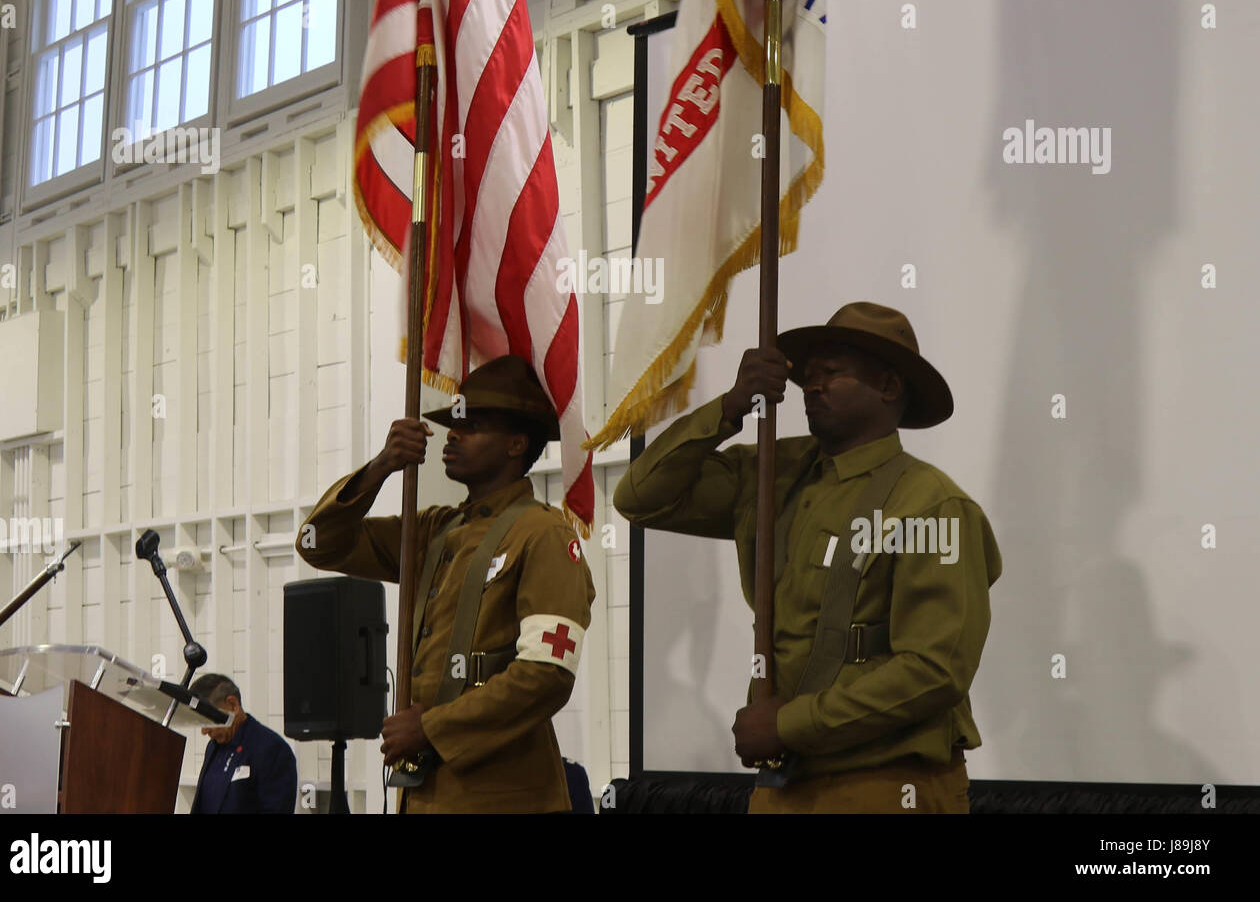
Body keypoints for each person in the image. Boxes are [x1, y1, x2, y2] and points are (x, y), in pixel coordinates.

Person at [614, 301, 1002, 814]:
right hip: (783, 785)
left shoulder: (933, 505)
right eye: (808, 375)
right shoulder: (771, 473)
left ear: (888, 387)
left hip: (886, 786)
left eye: (832, 373)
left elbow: (933, 670)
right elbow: (640, 498)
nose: (811, 386)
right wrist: (729, 409)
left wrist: (787, 725)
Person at [296, 354, 595, 813]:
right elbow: (317, 544)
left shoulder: (545, 535)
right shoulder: (436, 530)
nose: (452, 433)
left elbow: (546, 675)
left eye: (474, 425)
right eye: (456, 422)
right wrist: (380, 467)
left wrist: (433, 728)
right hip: (427, 792)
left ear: (517, 444)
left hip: (503, 797)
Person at [189, 673, 297, 814]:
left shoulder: (272, 749)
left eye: (208, 720)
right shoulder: (213, 747)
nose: (204, 731)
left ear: (233, 705)